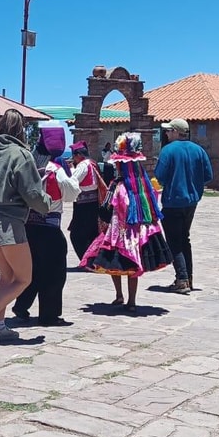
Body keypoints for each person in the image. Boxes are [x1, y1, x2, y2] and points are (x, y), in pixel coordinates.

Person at [0, 109, 51, 343]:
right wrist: (46, 203)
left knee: (7, 277)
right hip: (10, 222)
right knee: (24, 278)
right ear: (21, 129)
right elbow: (32, 192)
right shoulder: (21, 155)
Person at [80, 133, 172, 311]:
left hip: (118, 232)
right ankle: (130, 300)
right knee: (130, 266)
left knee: (118, 264)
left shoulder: (120, 185)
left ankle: (121, 296)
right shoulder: (144, 184)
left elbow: (114, 207)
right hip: (138, 232)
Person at [12, 125, 81, 326]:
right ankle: (49, 315)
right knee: (54, 272)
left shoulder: (28, 165)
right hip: (49, 227)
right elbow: (71, 193)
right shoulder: (55, 170)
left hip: (28, 226)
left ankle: (21, 304)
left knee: (32, 269)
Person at [154, 118, 213, 295]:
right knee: (184, 238)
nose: (166, 133)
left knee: (174, 241)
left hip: (173, 201)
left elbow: (160, 176)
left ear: (176, 132)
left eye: (169, 130)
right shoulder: (199, 150)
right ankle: (189, 277)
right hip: (192, 202)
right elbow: (208, 175)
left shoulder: (168, 151)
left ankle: (182, 279)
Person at [67, 141, 105, 261]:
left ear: (78, 155)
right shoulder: (93, 163)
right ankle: (93, 260)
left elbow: (72, 182)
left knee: (77, 235)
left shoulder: (83, 165)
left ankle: (87, 260)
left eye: (74, 156)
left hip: (84, 205)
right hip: (93, 203)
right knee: (91, 233)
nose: (73, 158)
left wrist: (71, 169)